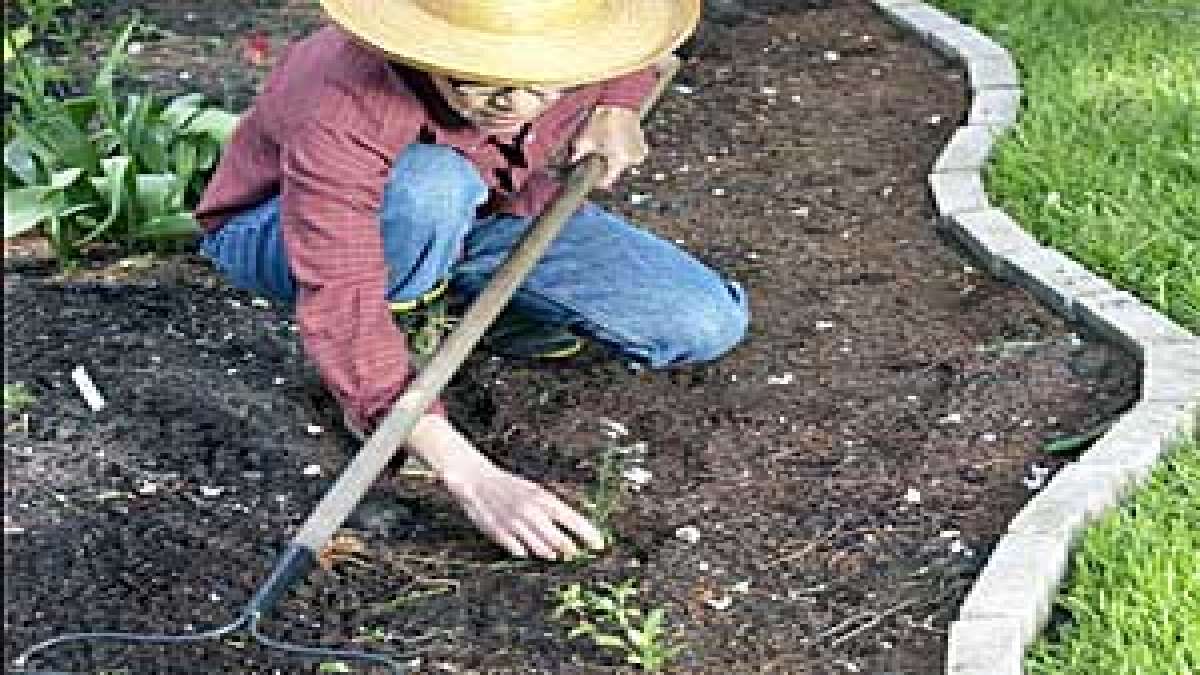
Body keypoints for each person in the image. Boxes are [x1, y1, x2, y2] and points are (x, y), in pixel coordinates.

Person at [194, 0, 750, 562]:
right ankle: (396, 366)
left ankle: (468, 307)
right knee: (429, 188)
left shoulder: (573, 28)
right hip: (294, 235)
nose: (515, 104)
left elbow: (635, 49)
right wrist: (467, 472)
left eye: (544, 84)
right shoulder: (344, 97)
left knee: (702, 322)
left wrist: (616, 102)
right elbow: (343, 292)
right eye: (476, 82)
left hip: (491, 209)